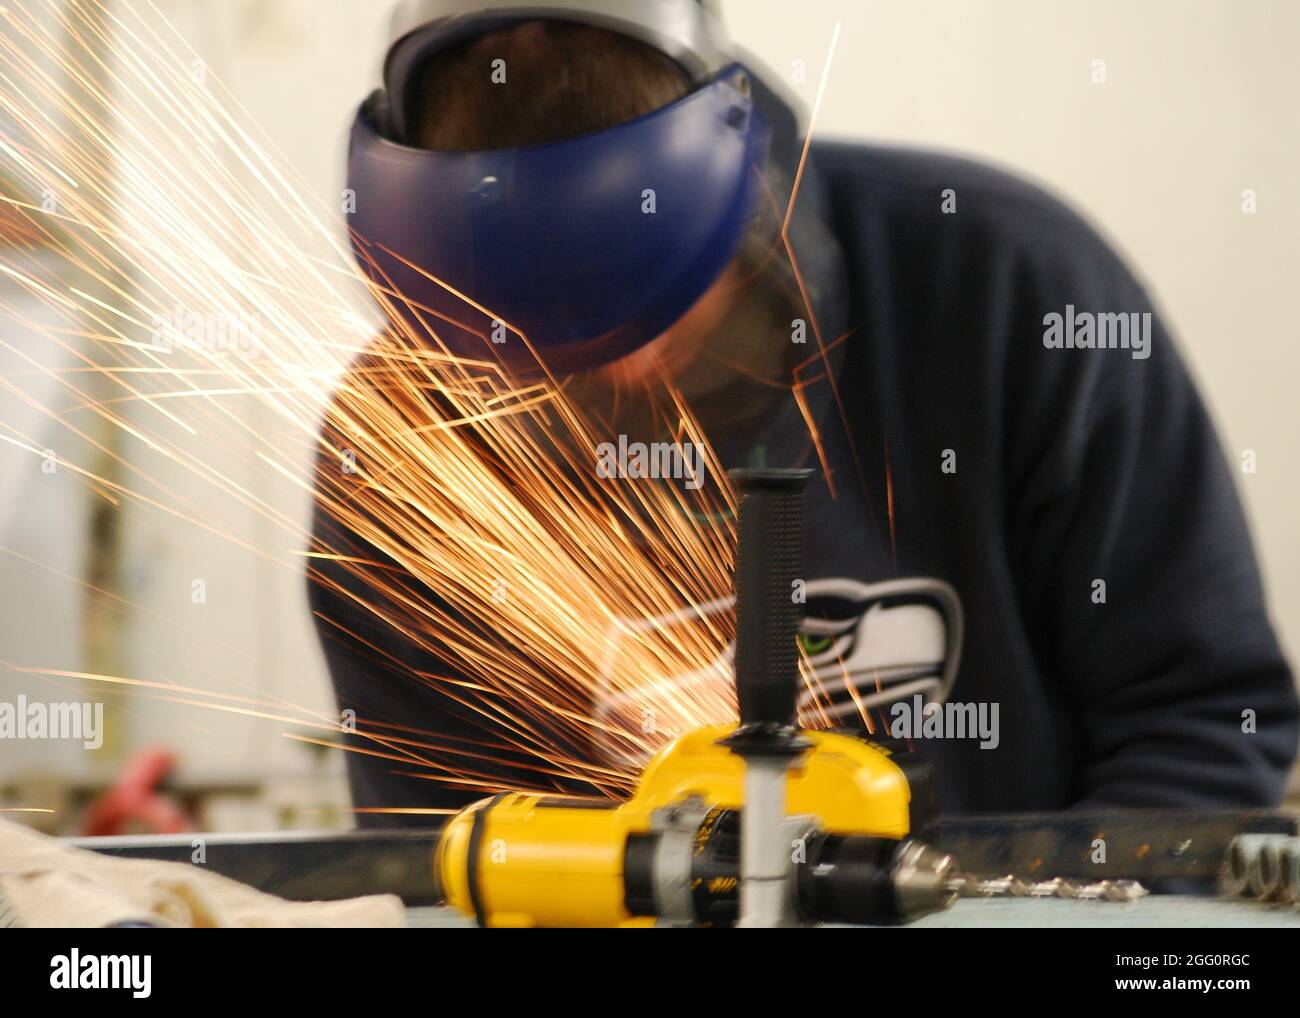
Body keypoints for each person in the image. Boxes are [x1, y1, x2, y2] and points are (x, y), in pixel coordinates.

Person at [309, 0, 1298, 824]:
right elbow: (447, 858)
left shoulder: (1009, 289)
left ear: (735, 191)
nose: (626, 359)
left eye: (653, 300)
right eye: (548, 342)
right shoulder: (405, 451)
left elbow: (1200, 727)